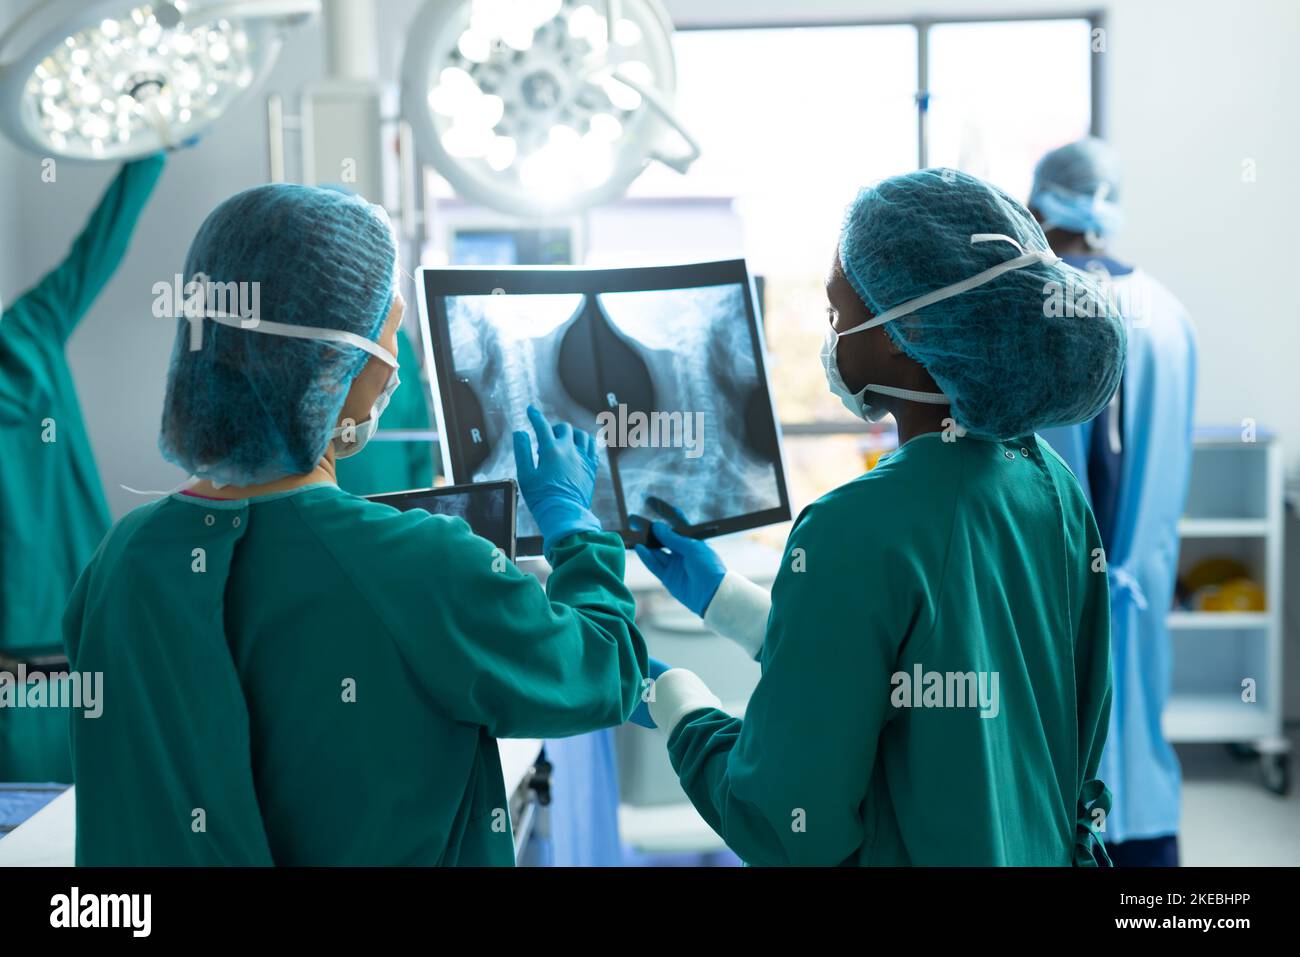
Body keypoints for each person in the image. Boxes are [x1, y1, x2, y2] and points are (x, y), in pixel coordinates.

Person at [62, 184, 647, 865]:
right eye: (388, 327)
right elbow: (605, 671)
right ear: (335, 362)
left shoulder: (121, 560)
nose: (398, 356)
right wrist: (580, 532)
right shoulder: (423, 565)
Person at [632, 169, 1125, 866]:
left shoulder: (852, 526)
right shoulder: (1048, 482)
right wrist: (726, 602)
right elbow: (920, 677)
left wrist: (674, 700)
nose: (830, 341)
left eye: (837, 316)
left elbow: (786, 818)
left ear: (908, 329)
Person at [1031, 138, 1197, 867]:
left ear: (1039, 208)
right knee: (1138, 746)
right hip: (1142, 587)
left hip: (1054, 590)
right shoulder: (1168, 312)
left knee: (1060, 767)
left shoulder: (1033, 312)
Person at [0, 155, 165, 783]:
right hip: (71, 653)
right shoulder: (31, 332)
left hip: (59, 661)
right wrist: (156, 141)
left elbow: (103, 241)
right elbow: (103, 241)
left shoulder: (30, 329)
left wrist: (154, 141)